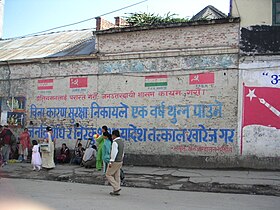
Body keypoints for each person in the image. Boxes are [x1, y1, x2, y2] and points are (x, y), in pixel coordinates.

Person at [106, 130, 124, 196]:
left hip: (115, 161)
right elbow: (122, 153)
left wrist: (111, 162)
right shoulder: (121, 142)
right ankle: (116, 191)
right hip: (120, 161)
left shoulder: (115, 143)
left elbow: (114, 153)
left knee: (108, 174)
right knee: (117, 175)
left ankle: (116, 187)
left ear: (114, 135)